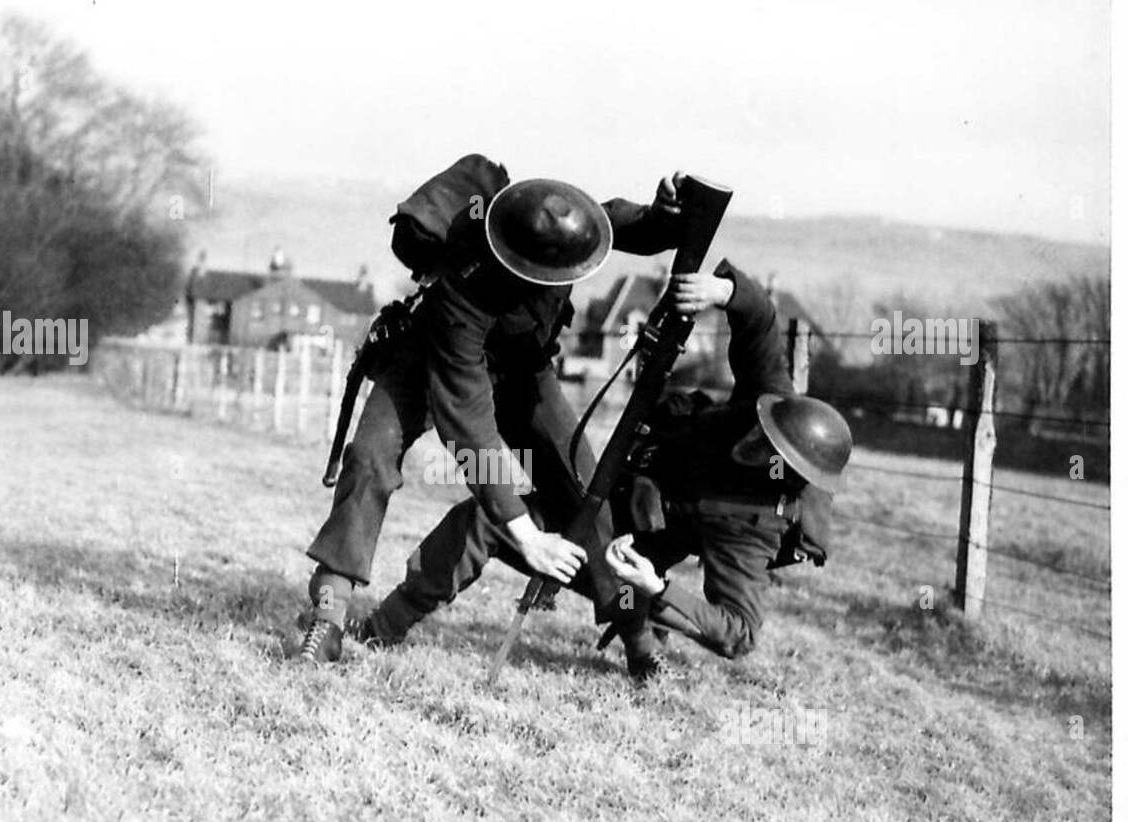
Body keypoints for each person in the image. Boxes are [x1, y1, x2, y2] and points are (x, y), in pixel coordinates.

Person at [351, 259, 854, 680]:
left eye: (763, 448)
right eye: (762, 427)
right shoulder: (771, 405)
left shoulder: (754, 524)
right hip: (608, 488)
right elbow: (761, 321)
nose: (752, 436)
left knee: (494, 526)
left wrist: (656, 587)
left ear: (781, 469)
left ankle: (642, 644)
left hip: (626, 557)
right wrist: (720, 291)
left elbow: (739, 633)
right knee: (485, 517)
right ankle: (384, 626)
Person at [299, 167, 699, 666]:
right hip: (430, 362)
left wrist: (665, 217)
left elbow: (619, 224)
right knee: (370, 460)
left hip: (522, 372)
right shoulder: (464, 293)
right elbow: (471, 434)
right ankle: (329, 618)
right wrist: (524, 533)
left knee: (588, 497)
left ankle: (638, 641)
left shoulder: (562, 225)